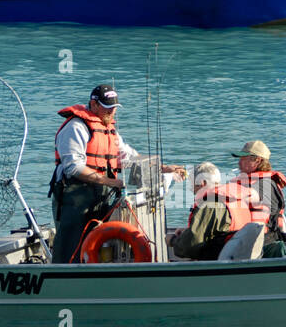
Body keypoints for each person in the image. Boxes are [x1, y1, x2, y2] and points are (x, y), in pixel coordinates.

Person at [48, 82, 185, 263]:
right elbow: (73, 168)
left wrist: (165, 168)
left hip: (101, 197)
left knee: (99, 243)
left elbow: (129, 157)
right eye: (107, 108)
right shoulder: (76, 128)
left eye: (114, 108)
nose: (111, 112)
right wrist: (112, 182)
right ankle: (64, 279)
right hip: (74, 198)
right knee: (71, 246)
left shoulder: (109, 129)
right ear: (94, 104)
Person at [231, 140, 286, 256]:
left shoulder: (264, 186)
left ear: (257, 160)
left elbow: (265, 221)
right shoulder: (253, 183)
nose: (239, 163)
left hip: (266, 247)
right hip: (254, 243)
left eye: (243, 159)